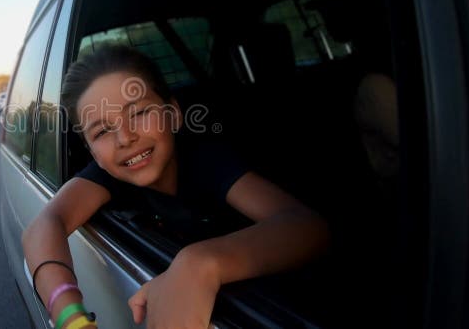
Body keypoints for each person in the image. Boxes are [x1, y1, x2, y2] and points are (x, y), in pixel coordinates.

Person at [22, 45, 330, 329]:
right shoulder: (110, 174)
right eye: (102, 130)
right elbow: (44, 226)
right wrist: (71, 319)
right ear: (92, 154)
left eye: (139, 113)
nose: (125, 137)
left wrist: (200, 263)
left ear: (173, 114)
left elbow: (306, 226)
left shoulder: (204, 158)